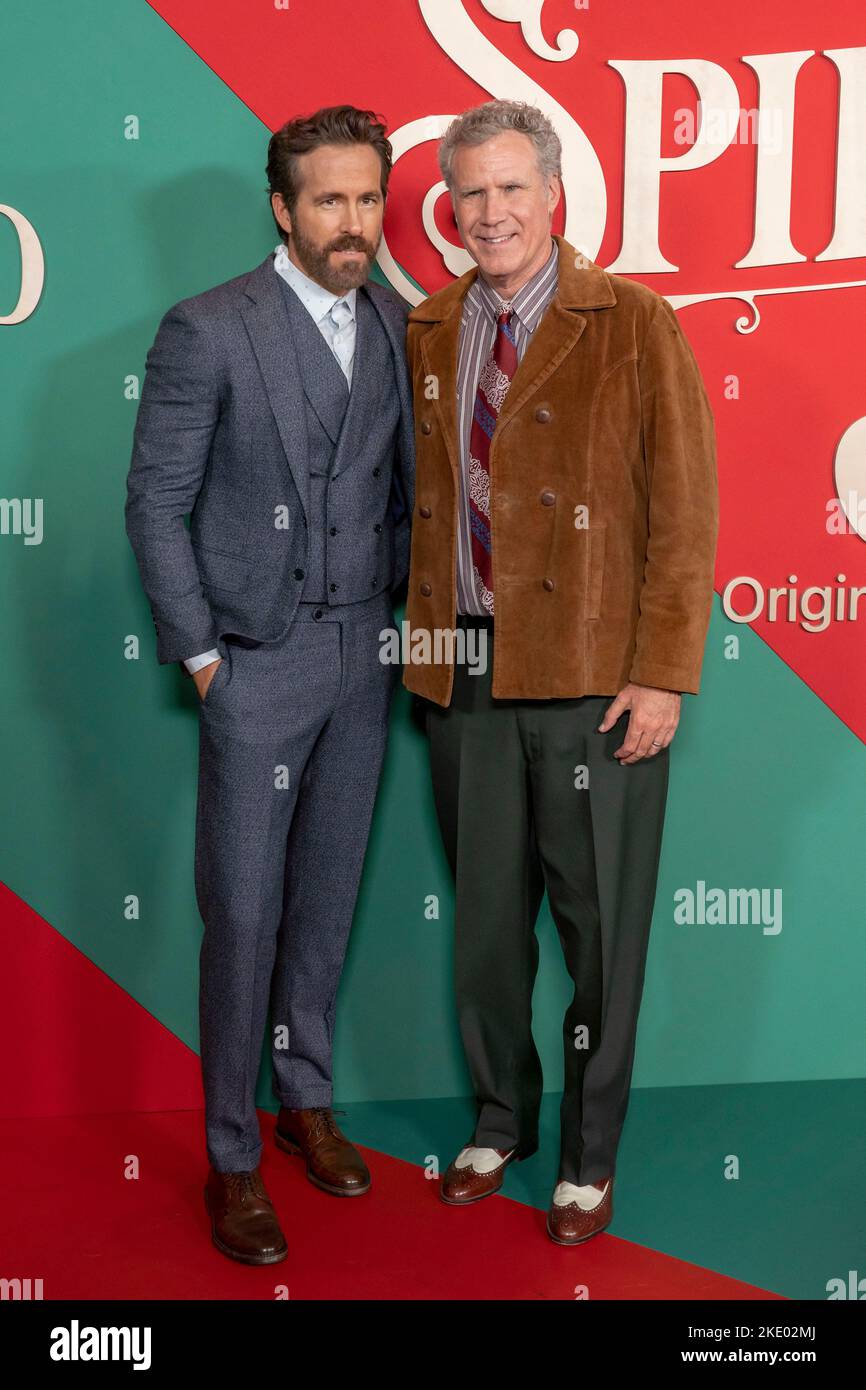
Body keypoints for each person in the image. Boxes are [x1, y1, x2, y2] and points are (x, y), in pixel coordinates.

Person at [402, 99, 718, 1244]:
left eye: (509, 189)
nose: (490, 212)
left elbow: (682, 518)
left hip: (594, 682)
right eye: (470, 193)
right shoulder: (431, 328)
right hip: (465, 676)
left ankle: (588, 1155)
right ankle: (500, 1119)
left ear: (553, 197)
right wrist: (422, 665)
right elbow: (423, 514)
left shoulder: (633, 322)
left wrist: (661, 675)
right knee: (485, 929)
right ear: (451, 206)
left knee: (597, 936)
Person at [125, 105, 415, 1265]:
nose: (352, 223)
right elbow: (154, 503)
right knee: (241, 915)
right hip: (252, 664)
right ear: (282, 209)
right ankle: (233, 1156)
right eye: (328, 201)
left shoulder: (398, 320)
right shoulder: (208, 328)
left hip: (363, 658)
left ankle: (305, 1098)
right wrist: (203, 656)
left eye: (366, 199)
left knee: (326, 898)